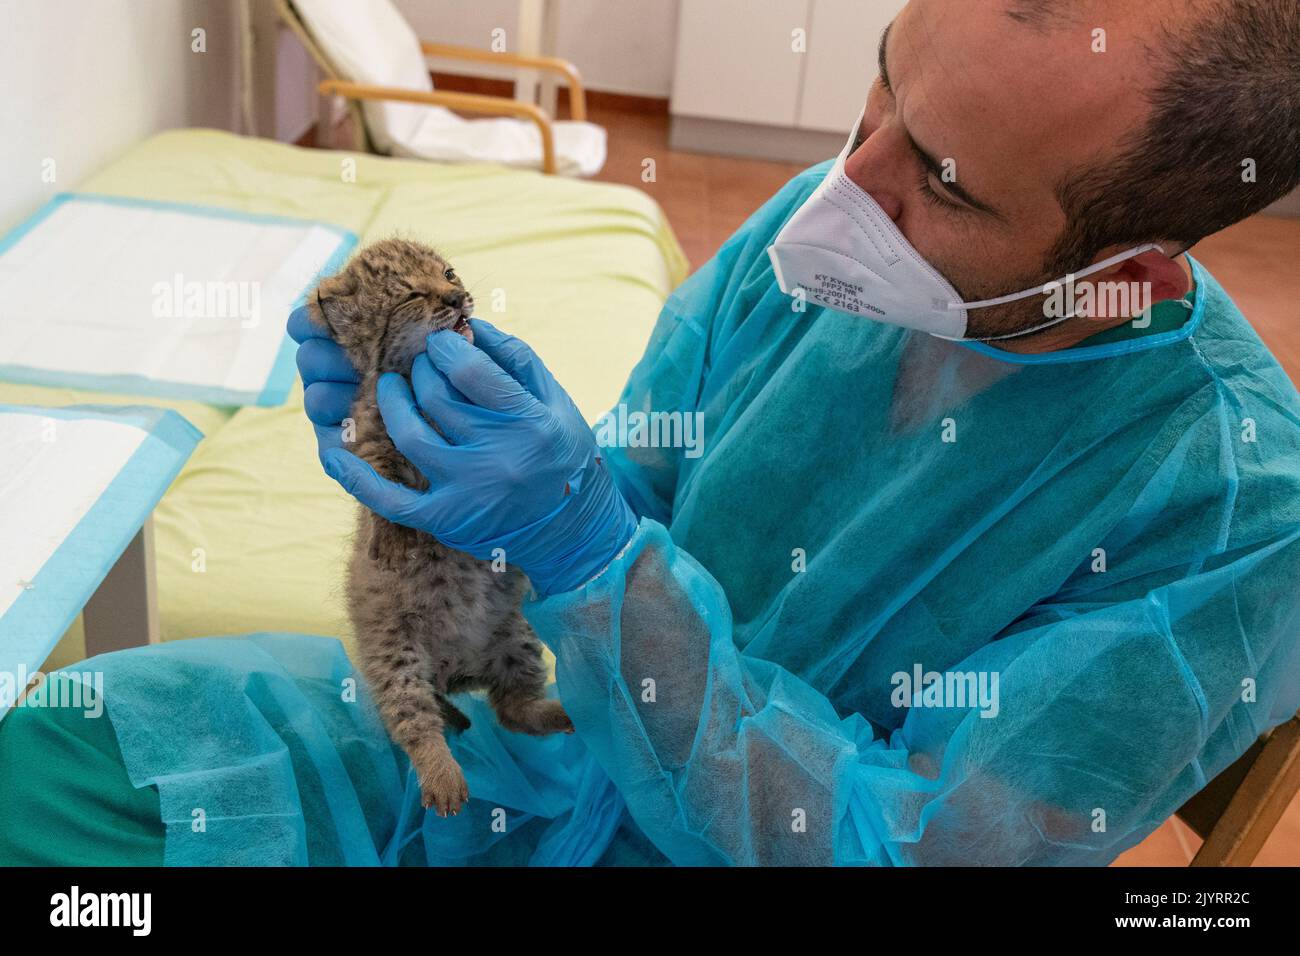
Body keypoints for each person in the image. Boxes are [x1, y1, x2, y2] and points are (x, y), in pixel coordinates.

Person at [288, 0, 1300, 864]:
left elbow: (899, 842)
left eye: (944, 183)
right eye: (885, 83)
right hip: (569, 763)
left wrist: (594, 562)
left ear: (1122, 278)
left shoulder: (1230, 511)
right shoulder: (816, 242)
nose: (848, 184)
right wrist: (463, 472)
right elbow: (629, 490)